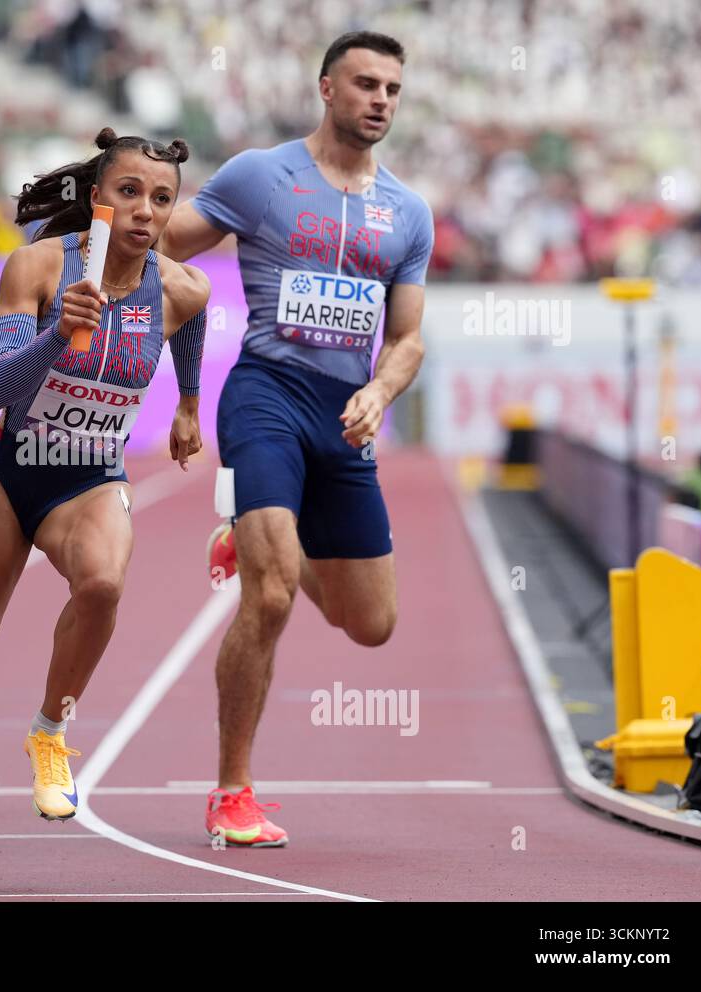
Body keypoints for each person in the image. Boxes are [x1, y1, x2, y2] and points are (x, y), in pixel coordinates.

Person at [0, 128, 210, 880]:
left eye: (162, 199)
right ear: (97, 199)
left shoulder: (180, 288)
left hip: (88, 476)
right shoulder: (38, 267)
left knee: (103, 583)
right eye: (129, 193)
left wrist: (189, 403)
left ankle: (51, 730)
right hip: (6, 474)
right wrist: (61, 331)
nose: (146, 212)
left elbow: (190, 326)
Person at [159, 31, 434, 847]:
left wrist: (381, 391)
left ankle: (251, 542)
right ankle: (231, 793)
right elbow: (164, 244)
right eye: (365, 83)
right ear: (326, 88)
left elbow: (409, 338)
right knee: (272, 595)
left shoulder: (408, 213)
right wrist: (104, 223)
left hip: (344, 412)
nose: (380, 99)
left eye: (392, 87)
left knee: (372, 623)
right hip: (266, 394)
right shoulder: (260, 175)